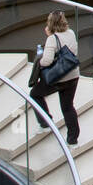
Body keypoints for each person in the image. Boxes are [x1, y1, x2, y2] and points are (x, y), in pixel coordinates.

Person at [29, 10, 81, 145]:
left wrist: (38, 62)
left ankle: (45, 122)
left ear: (50, 23)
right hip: (73, 75)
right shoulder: (71, 33)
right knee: (68, 107)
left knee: (35, 94)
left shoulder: (52, 38)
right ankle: (73, 138)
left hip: (59, 78)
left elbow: (46, 61)